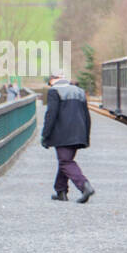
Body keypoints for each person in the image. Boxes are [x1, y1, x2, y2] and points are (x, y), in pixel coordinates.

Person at [41, 74, 95, 203]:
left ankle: (84, 186)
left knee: (65, 162)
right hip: (79, 132)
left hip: (62, 134)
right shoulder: (79, 91)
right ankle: (61, 191)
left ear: (52, 80)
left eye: (50, 83)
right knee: (65, 160)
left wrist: (45, 134)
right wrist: (86, 136)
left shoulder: (54, 91)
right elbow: (86, 115)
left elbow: (51, 114)